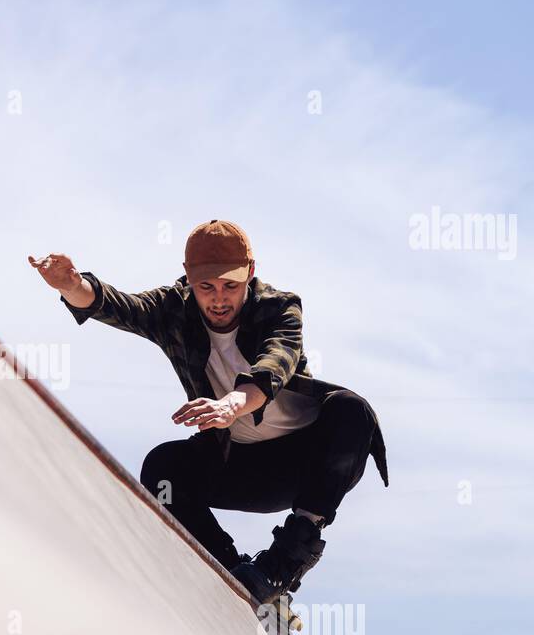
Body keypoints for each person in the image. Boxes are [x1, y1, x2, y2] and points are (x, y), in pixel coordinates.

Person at [29, 219, 388, 610]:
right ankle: (231, 571)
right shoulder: (173, 310)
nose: (219, 300)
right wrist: (71, 285)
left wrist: (231, 404)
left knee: (352, 411)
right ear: (188, 279)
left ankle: (282, 564)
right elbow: (119, 306)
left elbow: (275, 365)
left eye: (230, 287)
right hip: (241, 465)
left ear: (250, 275)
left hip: (308, 465)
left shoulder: (280, 307)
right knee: (163, 466)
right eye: (207, 288)